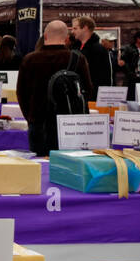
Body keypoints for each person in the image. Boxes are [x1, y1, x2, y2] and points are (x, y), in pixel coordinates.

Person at [17, 20, 93, 157]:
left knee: (39, 164)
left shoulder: (29, 60)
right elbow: (88, 90)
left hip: (39, 124)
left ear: (45, 36)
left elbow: (22, 94)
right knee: (69, 165)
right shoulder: (77, 59)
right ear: (66, 38)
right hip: (70, 125)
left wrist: (31, 118)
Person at [72, 16, 113, 93]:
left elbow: (106, 76)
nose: (72, 31)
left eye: (75, 28)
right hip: (77, 94)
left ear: (85, 28)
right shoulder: (75, 48)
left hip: (93, 95)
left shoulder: (99, 50)